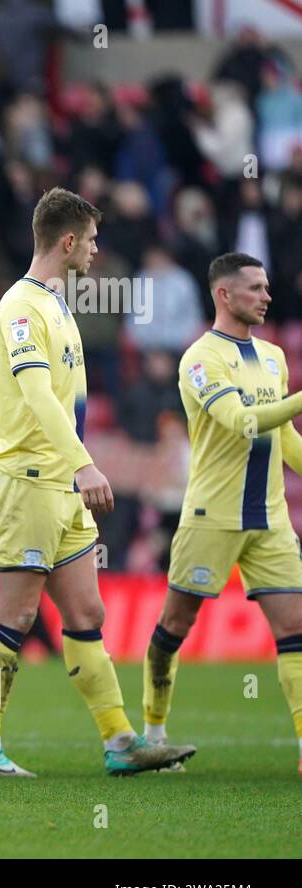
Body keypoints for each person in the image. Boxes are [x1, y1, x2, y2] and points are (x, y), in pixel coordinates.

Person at [0, 186, 196, 777]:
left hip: (60, 484)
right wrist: (83, 462)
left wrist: (76, 467)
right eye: (91, 240)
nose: (96, 250)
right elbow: (38, 396)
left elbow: (70, 398)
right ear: (67, 241)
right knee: (14, 615)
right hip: (28, 478)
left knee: (87, 612)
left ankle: (120, 742)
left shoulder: (58, 303)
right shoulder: (22, 307)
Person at [144, 252, 302, 775]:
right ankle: (154, 733)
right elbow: (241, 422)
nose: (266, 296)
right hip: (212, 517)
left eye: (267, 287)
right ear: (224, 295)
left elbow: (286, 443)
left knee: (296, 628)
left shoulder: (275, 357)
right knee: (174, 624)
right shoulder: (199, 359)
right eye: (255, 288)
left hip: (271, 518)